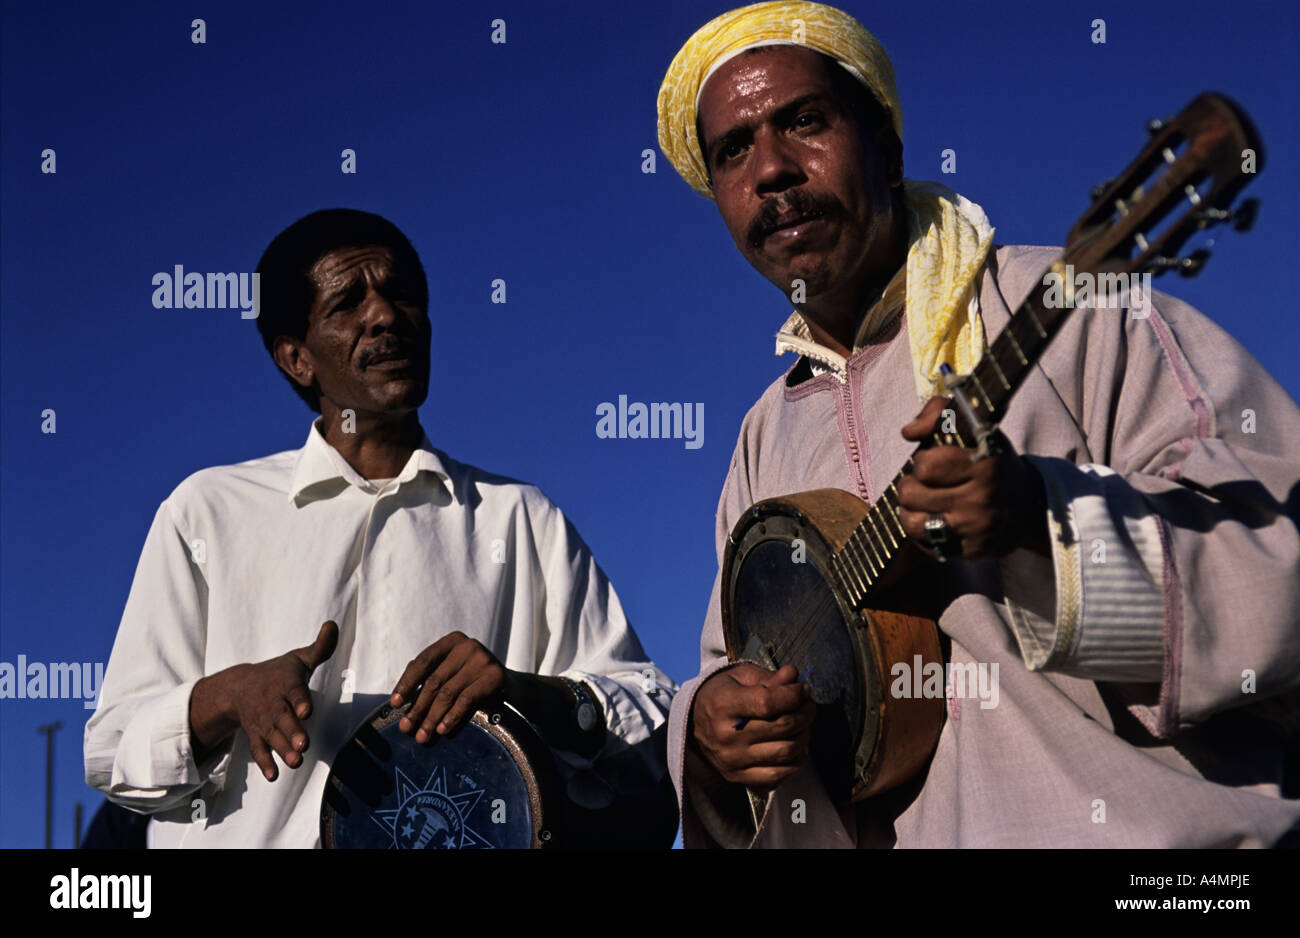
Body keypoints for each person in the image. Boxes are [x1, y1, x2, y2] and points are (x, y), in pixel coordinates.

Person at [656, 1, 1300, 847]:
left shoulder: (1073, 307)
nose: (771, 169)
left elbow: (1278, 552)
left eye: (804, 121)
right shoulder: (762, 438)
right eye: (733, 150)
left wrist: (1042, 522)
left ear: (885, 149)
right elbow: (728, 678)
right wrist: (708, 728)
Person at [84, 208, 677, 847]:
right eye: (347, 303)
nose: (386, 316)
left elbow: (653, 711)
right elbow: (112, 749)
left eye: (402, 296)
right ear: (296, 357)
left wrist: (530, 694)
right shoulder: (205, 511)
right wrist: (225, 698)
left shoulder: (521, 517)